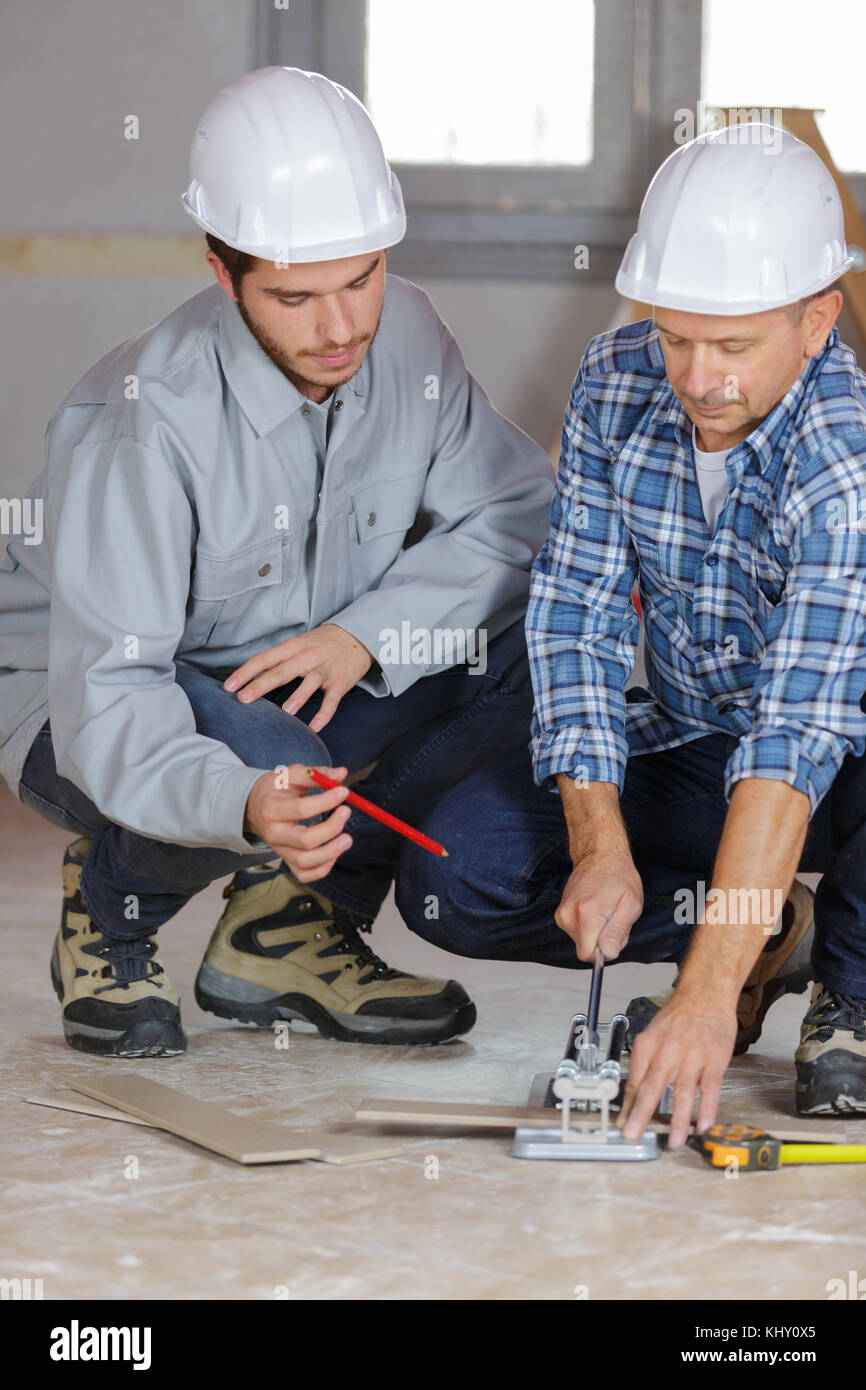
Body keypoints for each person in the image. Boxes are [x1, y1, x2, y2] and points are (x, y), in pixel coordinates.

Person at [0, 66, 553, 1057]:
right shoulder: (140, 422)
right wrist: (242, 802)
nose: (342, 328)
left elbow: (515, 515)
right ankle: (110, 914)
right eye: (296, 297)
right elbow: (114, 691)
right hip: (86, 698)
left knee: (523, 647)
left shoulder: (409, 335)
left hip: (292, 667)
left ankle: (287, 927)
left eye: (361, 277)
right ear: (223, 275)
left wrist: (365, 637)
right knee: (272, 767)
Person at [398, 123, 866, 1135]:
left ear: (815, 319)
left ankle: (850, 985)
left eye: (732, 346)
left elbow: (792, 738)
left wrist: (696, 1001)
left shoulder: (842, 459)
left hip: (830, 777)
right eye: (674, 334)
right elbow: (574, 621)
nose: (696, 377)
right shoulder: (616, 379)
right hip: (697, 745)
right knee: (453, 869)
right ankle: (760, 930)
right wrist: (596, 840)